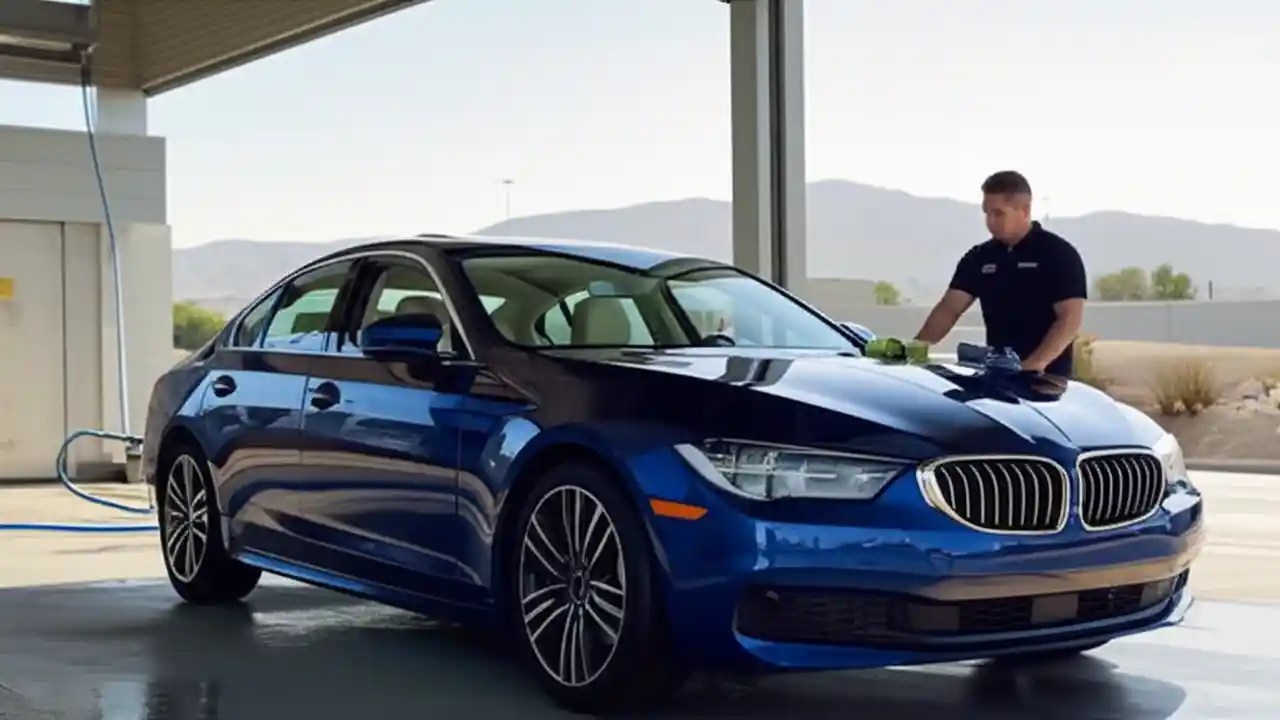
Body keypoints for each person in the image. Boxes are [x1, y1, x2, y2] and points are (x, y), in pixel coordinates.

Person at [914, 170, 1087, 377]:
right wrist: (915, 349)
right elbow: (949, 309)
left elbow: (1070, 320)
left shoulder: (1058, 254)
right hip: (997, 375)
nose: (990, 221)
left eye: (998, 213)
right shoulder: (979, 257)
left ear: (1024, 210)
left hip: (1046, 381)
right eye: (987, 213)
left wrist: (1035, 364)